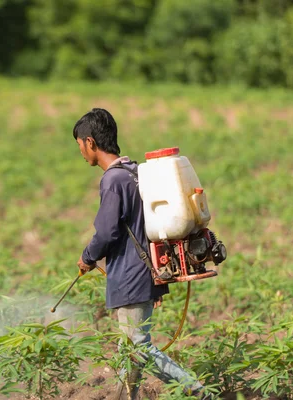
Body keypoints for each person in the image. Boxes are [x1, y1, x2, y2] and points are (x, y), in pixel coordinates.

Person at [73, 108, 211, 400]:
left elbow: (107, 232)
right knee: (132, 348)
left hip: (130, 274)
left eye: (80, 146)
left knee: (138, 346)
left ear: (90, 142)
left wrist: (87, 257)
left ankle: (199, 392)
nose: (82, 153)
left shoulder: (113, 180)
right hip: (148, 269)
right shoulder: (135, 172)